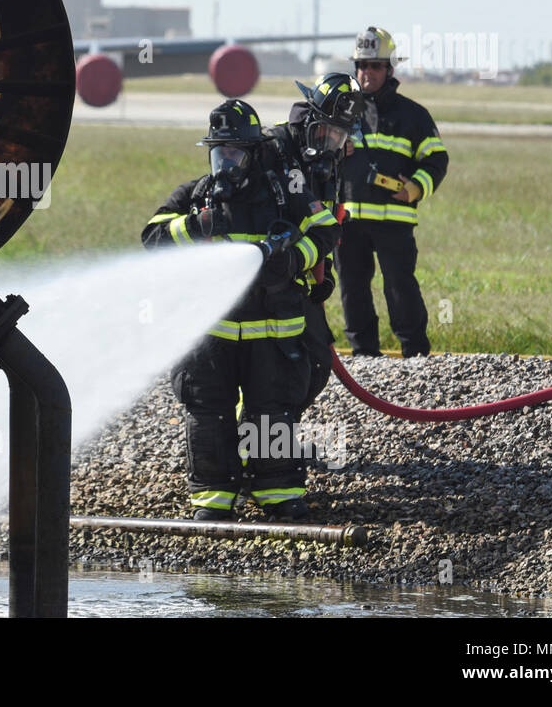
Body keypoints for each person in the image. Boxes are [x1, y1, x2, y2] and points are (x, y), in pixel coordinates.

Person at [142, 99, 339, 522]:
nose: (225, 163)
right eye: (218, 152)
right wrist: (193, 227)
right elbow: (151, 239)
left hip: (273, 331)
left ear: (253, 153)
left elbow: (325, 230)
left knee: (272, 409)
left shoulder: (286, 194)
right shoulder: (194, 198)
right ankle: (213, 500)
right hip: (211, 333)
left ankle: (279, 494)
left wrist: (293, 260)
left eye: (233, 153)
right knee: (208, 409)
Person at [336, 26, 448, 358]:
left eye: (375, 66)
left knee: (400, 287)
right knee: (352, 288)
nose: (367, 73)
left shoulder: (413, 115)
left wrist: (416, 188)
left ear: (389, 69)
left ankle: (414, 354)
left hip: (394, 220)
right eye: (362, 66)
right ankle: (364, 354)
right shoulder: (340, 112)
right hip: (348, 220)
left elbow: (436, 159)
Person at [263, 73, 365, 411]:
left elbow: (327, 223)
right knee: (270, 371)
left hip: (302, 279)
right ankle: (252, 446)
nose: (330, 142)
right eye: (326, 132)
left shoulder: (329, 160)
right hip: (269, 280)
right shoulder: (274, 149)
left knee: (317, 365)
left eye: (339, 136)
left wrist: (328, 273)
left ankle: (273, 442)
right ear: (309, 117)